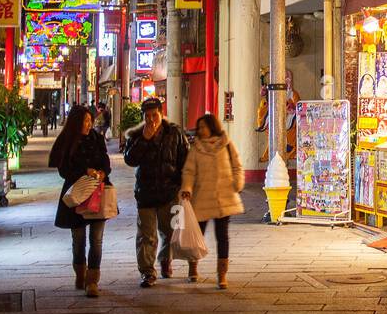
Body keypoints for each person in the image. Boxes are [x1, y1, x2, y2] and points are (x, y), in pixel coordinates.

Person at [124, 96, 188, 287]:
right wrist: (144, 139)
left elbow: (185, 159)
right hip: (145, 192)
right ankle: (147, 272)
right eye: (147, 116)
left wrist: (185, 185)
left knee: (170, 232)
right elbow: (130, 159)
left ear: (161, 113)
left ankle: (164, 260)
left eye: (154, 115)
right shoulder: (136, 135)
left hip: (170, 192)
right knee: (147, 235)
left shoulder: (174, 133)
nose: (151, 119)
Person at [50, 105, 112, 298]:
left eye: (89, 120)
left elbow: (106, 163)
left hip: (97, 192)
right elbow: (63, 170)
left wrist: (102, 172)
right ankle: (80, 272)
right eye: (84, 121)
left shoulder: (97, 138)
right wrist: (85, 171)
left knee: (97, 239)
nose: (88, 124)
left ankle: (92, 280)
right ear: (76, 122)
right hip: (76, 194)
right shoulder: (68, 141)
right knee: (78, 240)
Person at [180, 113, 244, 289]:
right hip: (202, 198)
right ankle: (193, 266)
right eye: (199, 128)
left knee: (222, 236)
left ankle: (222, 274)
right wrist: (187, 188)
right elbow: (189, 171)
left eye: (203, 127)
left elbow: (237, 166)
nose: (200, 131)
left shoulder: (227, 145)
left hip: (224, 197)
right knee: (196, 235)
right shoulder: (196, 148)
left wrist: (237, 183)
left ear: (212, 127)